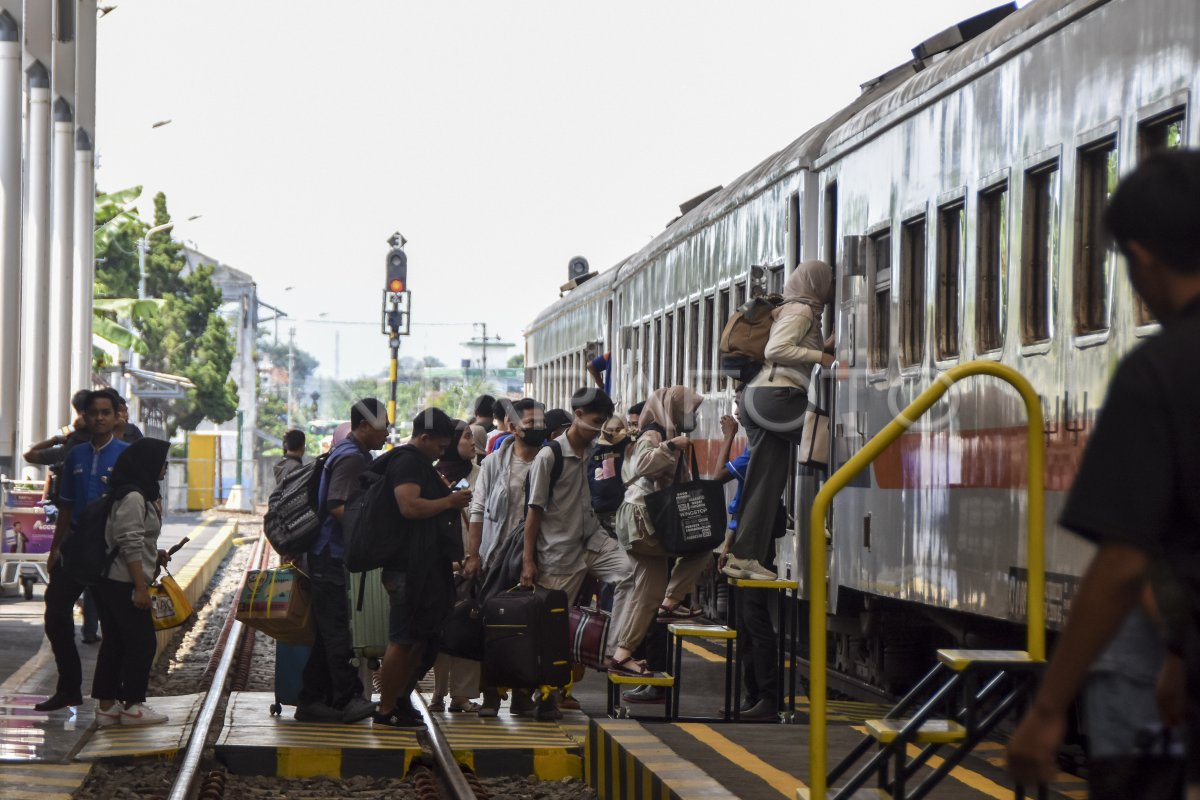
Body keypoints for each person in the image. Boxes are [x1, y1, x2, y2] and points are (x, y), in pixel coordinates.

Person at [1006, 151, 1200, 789]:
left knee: (1122, 662)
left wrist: (1048, 708)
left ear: (1143, 257)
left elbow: (1122, 563)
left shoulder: (1160, 372)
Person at [521, 387, 632, 720]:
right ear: (578, 416)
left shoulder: (594, 452)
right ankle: (544, 695)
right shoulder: (549, 456)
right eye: (596, 422)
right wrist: (529, 561)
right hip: (558, 555)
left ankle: (615, 650)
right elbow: (533, 511)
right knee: (551, 632)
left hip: (592, 543)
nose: (600, 429)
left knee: (630, 574)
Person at [724, 260, 834, 581]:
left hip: (757, 399)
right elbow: (777, 349)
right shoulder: (800, 311)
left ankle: (743, 557)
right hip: (775, 397)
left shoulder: (795, 311)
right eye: (828, 280)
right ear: (816, 283)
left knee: (765, 480)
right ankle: (817, 522)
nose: (831, 286)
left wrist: (823, 346)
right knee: (827, 442)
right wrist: (823, 357)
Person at [36, 390, 130, 712]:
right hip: (75, 546)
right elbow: (65, 506)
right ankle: (69, 688)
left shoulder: (126, 455)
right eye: (94, 413)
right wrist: (54, 549)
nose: (100, 418)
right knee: (55, 614)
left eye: (106, 412)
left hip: (109, 549)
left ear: (117, 415)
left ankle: (110, 694)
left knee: (114, 624)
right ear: (85, 417)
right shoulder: (75, 455)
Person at [375, 408, 469, 729]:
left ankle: (399, 700)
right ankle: (386, 708)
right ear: (425, 438)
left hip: (424, 567)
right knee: (402, 640)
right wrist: (450, 503)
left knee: (420, 639)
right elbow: (409, 506)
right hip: (408, 569)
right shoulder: (409, 463)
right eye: (440, 447)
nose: (442, 454)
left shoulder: (419, 463)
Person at [607, 387, 710, 679]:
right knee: (702, 546)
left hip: (637, 518)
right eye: (689, 410)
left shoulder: (661, 431)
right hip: (642, 519)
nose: (692, 417)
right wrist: (670, 447)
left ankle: (621, 654)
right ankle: (672, 602)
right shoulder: (653, 433)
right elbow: (643, 465)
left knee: (648, 594)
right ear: (673, 409)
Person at [296, 400, 385, 724]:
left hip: (330, 554)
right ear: (364, 426)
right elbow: (337, 505)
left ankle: (311, 700)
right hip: (329, 555)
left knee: (328, 632)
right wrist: (368, 535)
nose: (386, 432)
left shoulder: (353, 453)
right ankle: (347, 699)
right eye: (382, 426)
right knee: (337, 632)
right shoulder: (350, 458)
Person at [465, 398, 545, 717]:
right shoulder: (494, 463)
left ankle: (525, 694)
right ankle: (491, 694)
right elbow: (478, 509)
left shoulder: (549, 461)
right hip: (496, 556)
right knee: (493, 626)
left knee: (531, 628)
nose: (538, 427)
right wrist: (474, 555)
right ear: (512, 426)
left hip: (535, 558)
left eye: (540, 421)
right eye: (530, 422)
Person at [92, 438, 173, 727]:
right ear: (147, 464)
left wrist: (156, 554)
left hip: (112, 580)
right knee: (142, 643)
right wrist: (140, 587)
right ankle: (132, 706)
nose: (165, 467)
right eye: (162, 462)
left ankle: (106, 708)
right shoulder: (134, 497)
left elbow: (136, 538)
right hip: (122, 582)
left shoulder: (137, 493)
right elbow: (128, 542)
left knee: (115, 642)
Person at [715, 409, 784, 720]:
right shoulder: (757, 449)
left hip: (755, 540)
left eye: (740, 400)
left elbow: (718, 477)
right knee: (744, 622)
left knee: (754, 619)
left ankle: (768, 697)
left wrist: (728, 436)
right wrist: (728, 540)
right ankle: (753, 694)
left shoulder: (756, 452)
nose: (737, 408)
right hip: (744, 537)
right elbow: (742, 499)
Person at [429, 419, 482, 714]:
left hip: (470, 564)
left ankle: (461, 695)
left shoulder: (480, 474)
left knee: (468, 629)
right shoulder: (431, 476)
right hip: (438, 565)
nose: (472, 443)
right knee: (439, 633)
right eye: (465, 437)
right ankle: (437, 693)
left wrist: (475, 556)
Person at [588, 415, 632, 535]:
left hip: (626, 507)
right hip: (603, 511)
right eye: (610, 430)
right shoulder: (599, 449)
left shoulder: (630, 446)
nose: (614, 434)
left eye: (618, 429)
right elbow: (592, 479)